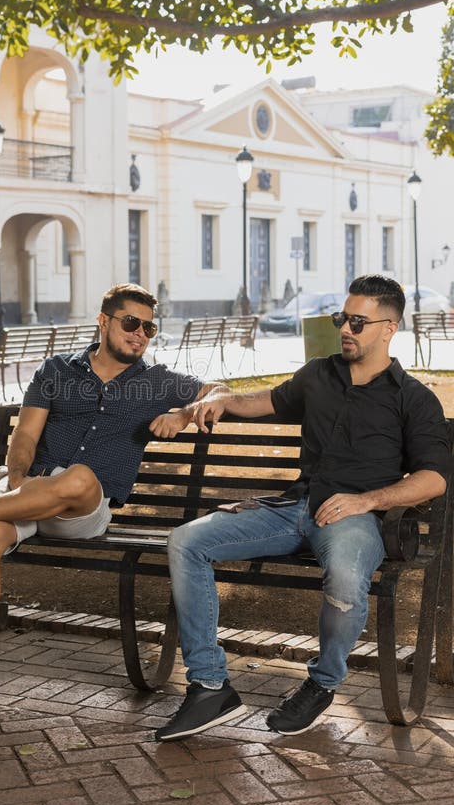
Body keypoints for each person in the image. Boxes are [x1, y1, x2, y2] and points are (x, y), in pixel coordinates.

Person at [0, 283, 221, 715]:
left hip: (83, 509)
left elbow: (218, 390)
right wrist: (16, 481)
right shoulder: (56, 370)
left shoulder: (157, 382)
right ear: (103, 322)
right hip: (23, 491)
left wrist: (181, 413)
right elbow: (25, 437)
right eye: (130, 323)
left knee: (82, 477)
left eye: (149, 327)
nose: (140, 333)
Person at [152, 275, 450, 741]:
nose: (344, 329)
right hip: (293, 508)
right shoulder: (319, 374)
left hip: (355, 518)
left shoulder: (412, 398)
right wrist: (219, 400)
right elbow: (265, 401)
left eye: (357, 321)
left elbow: (433, 478)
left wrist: (367, 500)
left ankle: (322, 682)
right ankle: (209, 686)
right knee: (186, 540)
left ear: (389, 328)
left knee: (348, 578)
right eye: (340, 319)